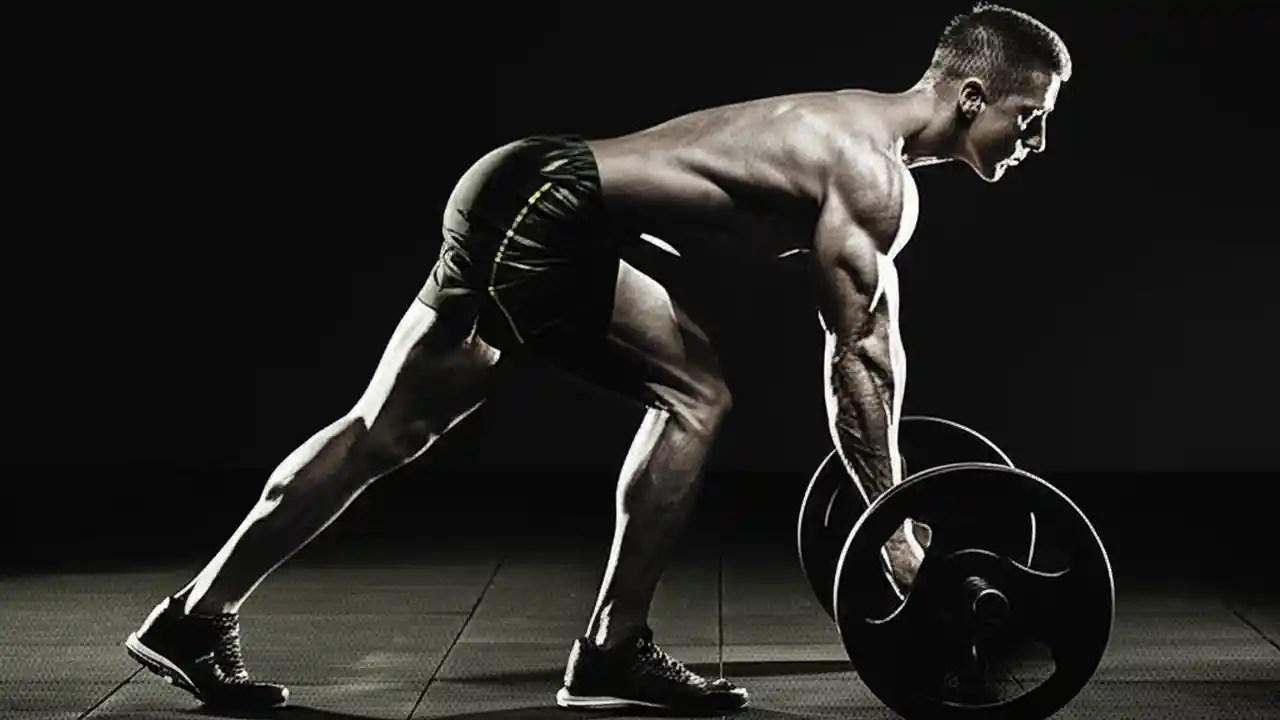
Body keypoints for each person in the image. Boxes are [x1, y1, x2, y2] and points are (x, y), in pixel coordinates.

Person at [124, 2, 1071, 714]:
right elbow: (860, 359)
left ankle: (192, 622)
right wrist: (899, 535)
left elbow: (866, 351)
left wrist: (888, 500)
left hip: (520, 185)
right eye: (1028, 116)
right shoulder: (872, 175)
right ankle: (614, 648)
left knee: (388, 430)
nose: (1036, 141)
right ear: (972, 94)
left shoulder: (850, 125)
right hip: (555, 207)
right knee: (695, 397)